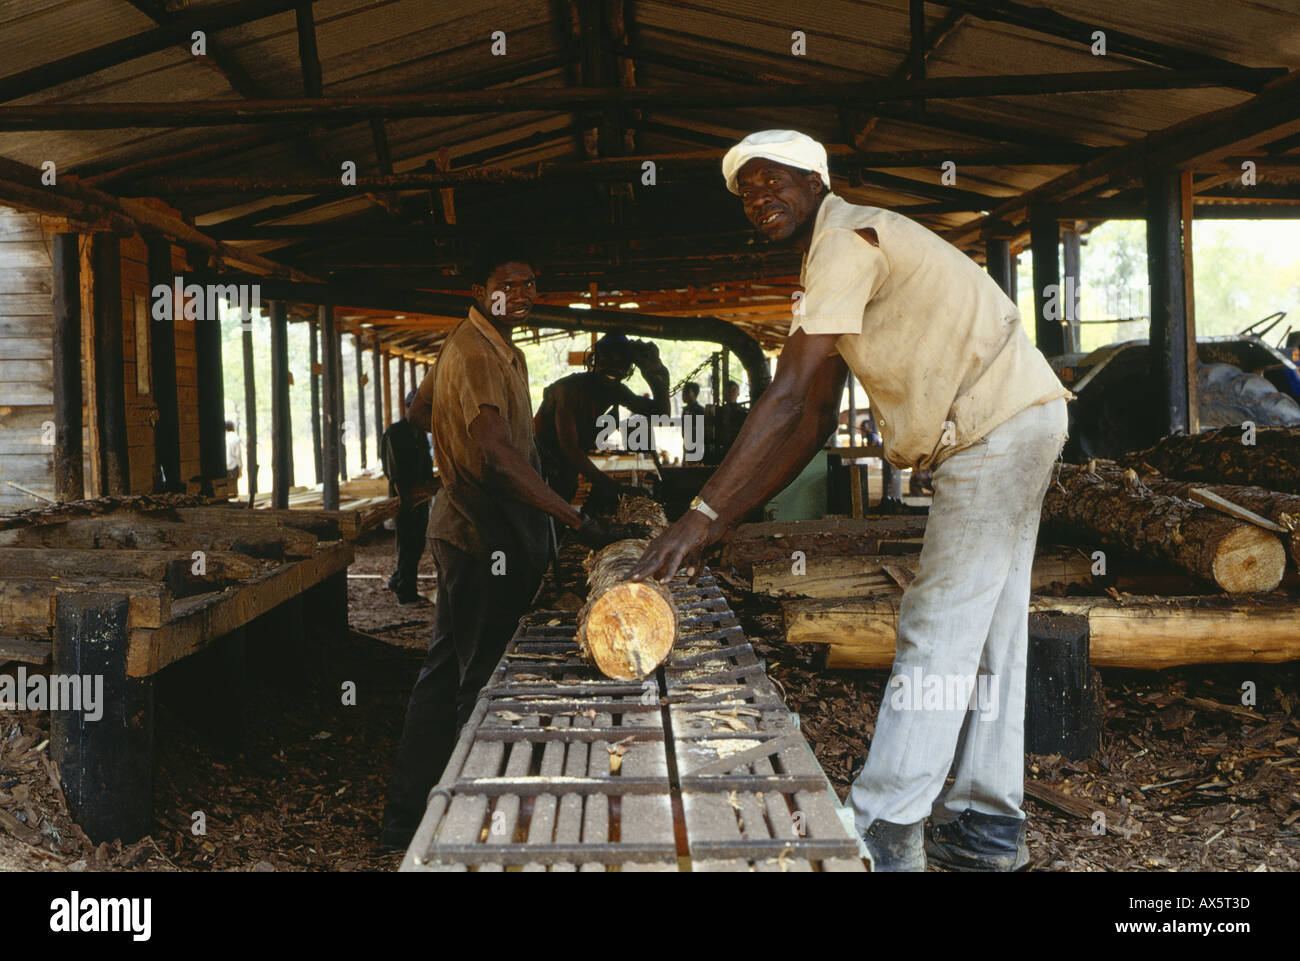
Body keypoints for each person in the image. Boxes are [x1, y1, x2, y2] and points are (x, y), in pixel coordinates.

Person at [630, 130, 1071, 872]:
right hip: (1017, 415)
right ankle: (987, 826)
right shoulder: (832, 260)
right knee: (990, 628)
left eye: (773, 182)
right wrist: (726, 518)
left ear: (815, 180)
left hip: (995, 424)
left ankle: (885, 828)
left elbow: (788, 395)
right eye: (746, 192)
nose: (759, 199)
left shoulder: (844, 239)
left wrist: (701, 514)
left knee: (936, 621)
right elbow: (812, 419)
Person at [381, 249, 624, 849]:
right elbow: (494, 455)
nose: (522, 292)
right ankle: (473, 834)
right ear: (478, 287)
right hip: (478, 534)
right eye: (507, 284)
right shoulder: (475, 352)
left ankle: (406, 818)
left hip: (470, 531)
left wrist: (446, 438)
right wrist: (572, 518)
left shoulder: (483, 347)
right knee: (481, 683)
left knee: (445, 672)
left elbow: (417, 409)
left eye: (530, 283)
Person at [533, 332, 669, 510]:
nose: (613, 370)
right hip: (540, 466)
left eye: (620, 364)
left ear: (628, 368)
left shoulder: (615, 391)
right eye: (607, 362)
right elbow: (569, 448)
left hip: (566, 469)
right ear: (594, 361)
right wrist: (612, 486)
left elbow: (660, 414)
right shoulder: (567, 390)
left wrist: (656, 378)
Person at [380, 389, 435, 606]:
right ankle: (405, 590)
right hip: (405, 499)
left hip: (421, 499)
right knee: (407, 543)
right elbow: (394, 471)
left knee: (417, 542)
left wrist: (430, 486)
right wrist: (405, 499)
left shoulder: (420, 434)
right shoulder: (396, 432)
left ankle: (398, 579)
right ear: (408, 407)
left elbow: (426, 466)